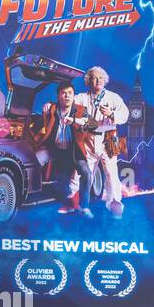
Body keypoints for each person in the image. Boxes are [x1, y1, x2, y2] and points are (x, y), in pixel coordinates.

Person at [73, 66, 129, 217]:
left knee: (111, 173)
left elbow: (125, 115)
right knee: (85, 173)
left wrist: (111, 113)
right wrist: (49, 105)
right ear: (88, 82)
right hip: (89, 139)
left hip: (109, 138)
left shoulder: (113, 97)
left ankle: (115, 203)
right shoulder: (82, 98)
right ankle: (80, 205)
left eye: (100, 78)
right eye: (93, 78)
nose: (97, 81)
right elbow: (66, 104)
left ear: (105, 80)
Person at [30, 83, 93, 216]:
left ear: (73, 96)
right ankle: (30, 195)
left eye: (70, 93)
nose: (67, 96)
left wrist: (76, 120)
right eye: (64, 93)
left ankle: (84, 207)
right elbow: (36, 126)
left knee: (86, 173)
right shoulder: (51, 109)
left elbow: (94, 124)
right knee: (35, 161)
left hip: (73, 151)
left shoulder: (81, 110)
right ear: (58, 96)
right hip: (53, 149)